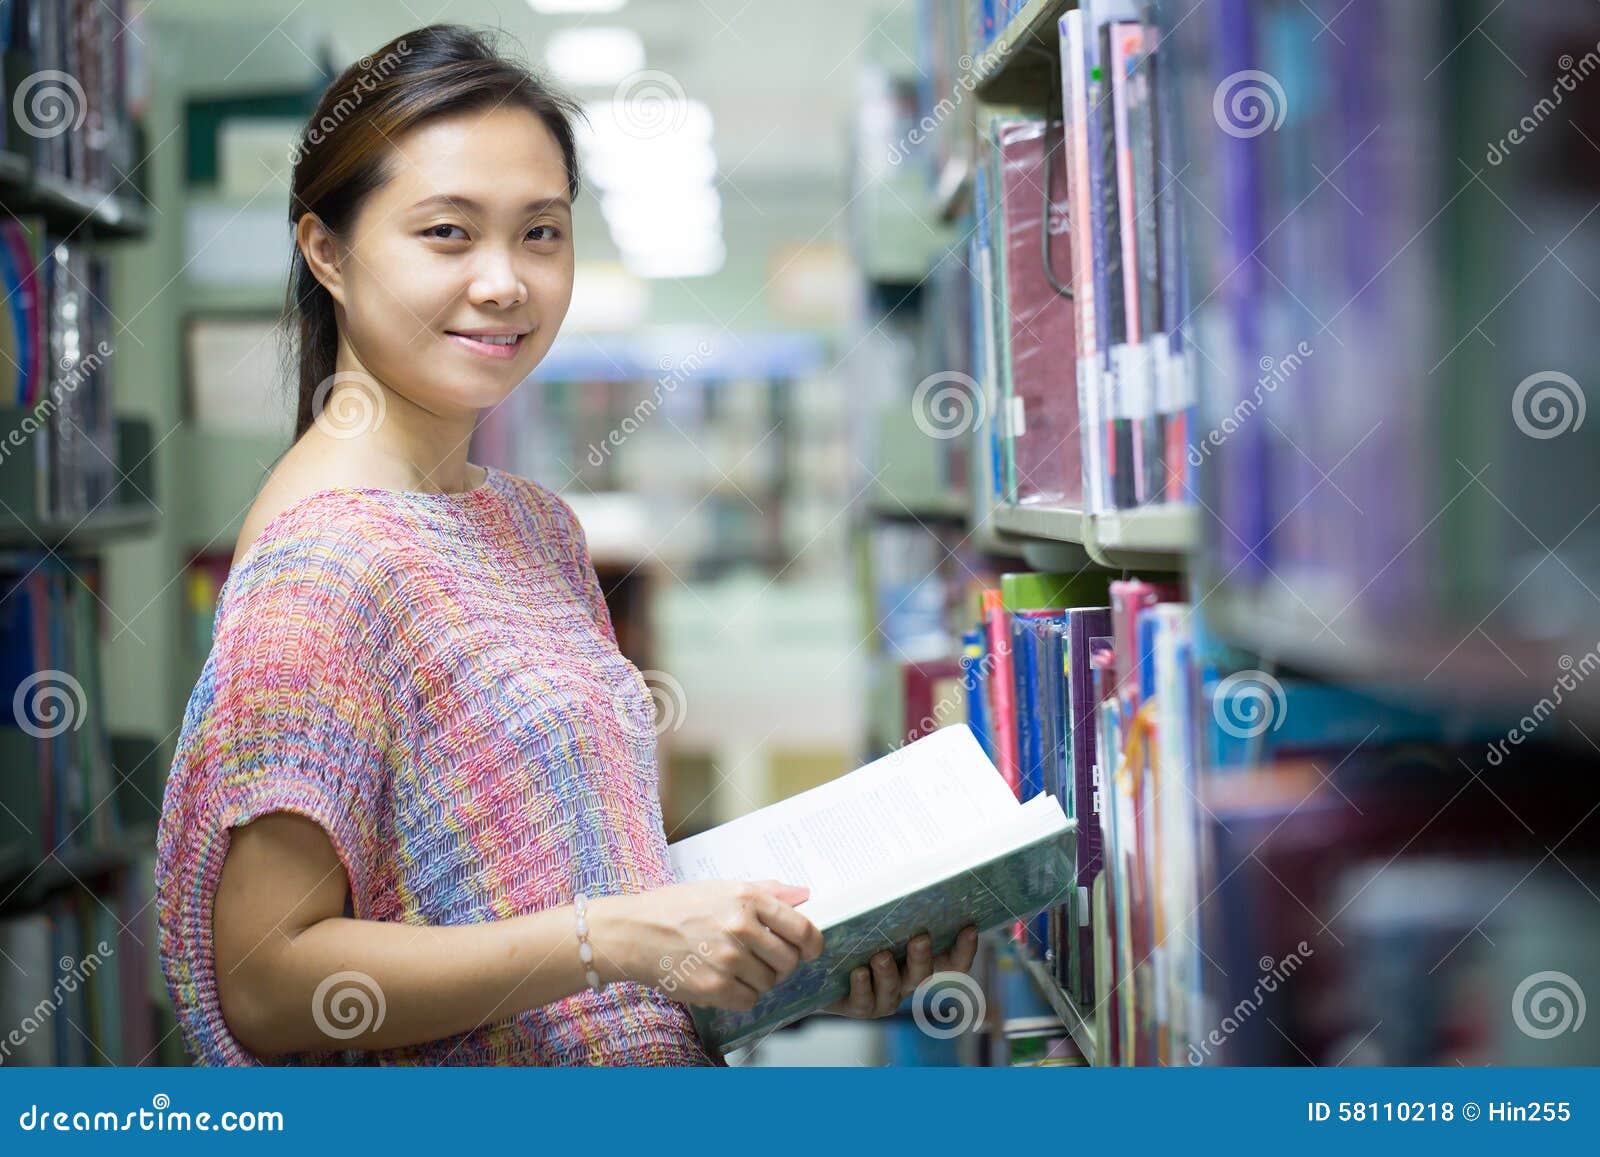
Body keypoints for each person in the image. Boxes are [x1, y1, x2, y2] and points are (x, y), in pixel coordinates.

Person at [154, 23, 979, 1067]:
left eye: (540, 233)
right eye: (447, 233)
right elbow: (268, 984)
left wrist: (772, 965)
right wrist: (617, 940)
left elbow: (561, 896)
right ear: (326, 249)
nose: (505, 282)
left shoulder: (534, 527)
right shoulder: (323, 562)